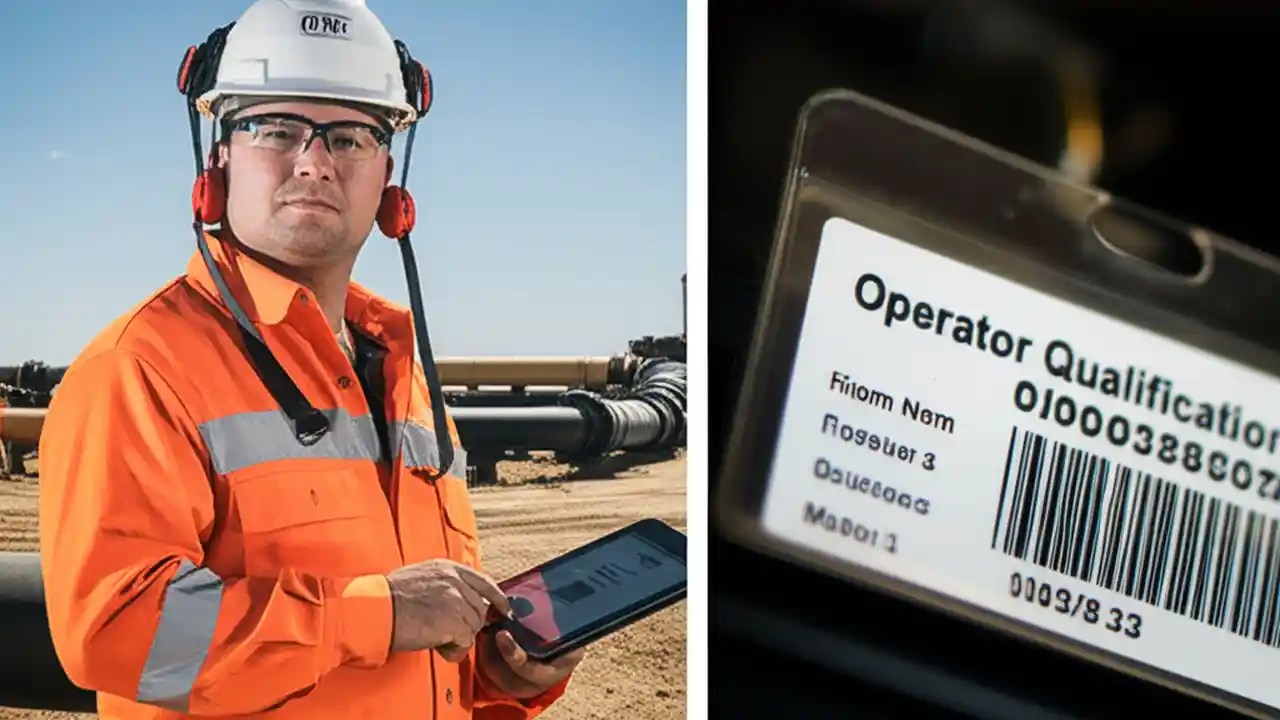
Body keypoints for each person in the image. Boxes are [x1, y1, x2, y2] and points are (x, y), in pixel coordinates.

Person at [36, 1, 583, 717]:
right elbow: (114, 633)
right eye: (276, 128)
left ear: (392, 172)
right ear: (219, 156)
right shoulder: (139, 368)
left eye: (353, 135)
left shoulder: (403, 377)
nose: (315, 162)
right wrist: (375, 614)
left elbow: (417, 650)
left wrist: (503, 681)